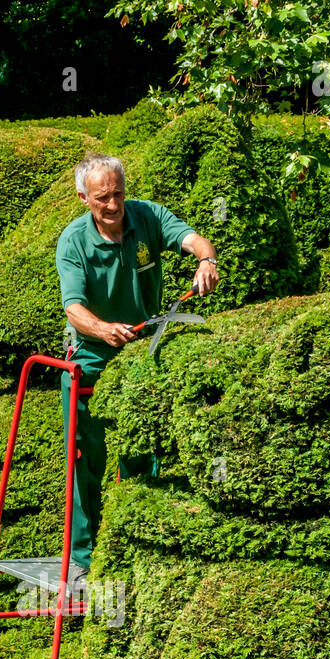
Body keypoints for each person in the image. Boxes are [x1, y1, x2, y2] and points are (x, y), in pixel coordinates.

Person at [55, 152, 219, 580]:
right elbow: (72, 307)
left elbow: (192, 239)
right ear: (82, 198)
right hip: (89, 359)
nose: (113, 206)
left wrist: (207, 261)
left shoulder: (147, 217)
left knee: (143, 455)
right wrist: (103, 329)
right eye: (101, 198)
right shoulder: (72, 242)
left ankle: (135, 547)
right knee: (83, 461)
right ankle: (83, 559)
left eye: (118, 194)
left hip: (142, 357)